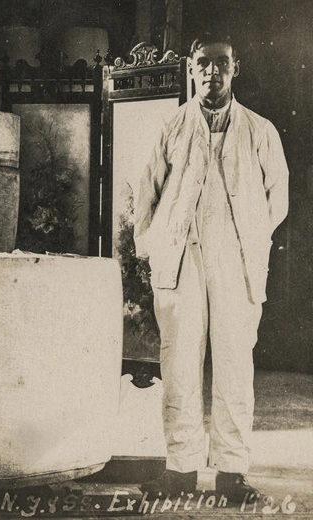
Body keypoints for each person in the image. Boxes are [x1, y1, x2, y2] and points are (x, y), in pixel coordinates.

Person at [132, 32, 289, 502]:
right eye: (203, 63)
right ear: (190, 67)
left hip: (237, 260)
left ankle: (231, 473)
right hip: (182, 258)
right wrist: (155, 247)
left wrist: (249, 238)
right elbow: (146, 194)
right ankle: (180, 469)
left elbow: (276, 198)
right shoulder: (171, 127)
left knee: (235, 364)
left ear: (234, 68)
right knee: (179, 362)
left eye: (221, 63)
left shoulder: (261, 131)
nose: (212, 72)